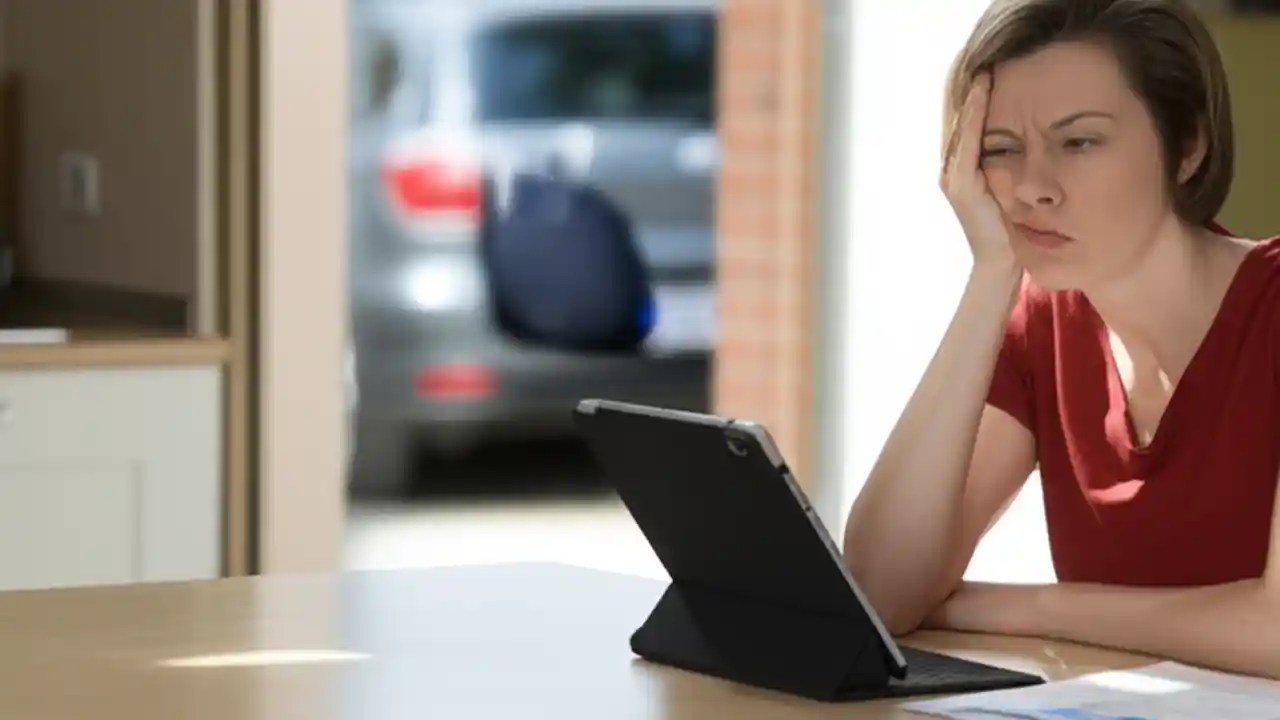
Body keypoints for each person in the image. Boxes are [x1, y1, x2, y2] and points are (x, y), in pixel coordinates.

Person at [842, 0, 1280, 680]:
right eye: (1000, 150)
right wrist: (992, 274)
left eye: (1079, 143)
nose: (1032, 189)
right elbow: (880, 589)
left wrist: (1024, 606)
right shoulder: (1042, 322)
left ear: (1188, 145)